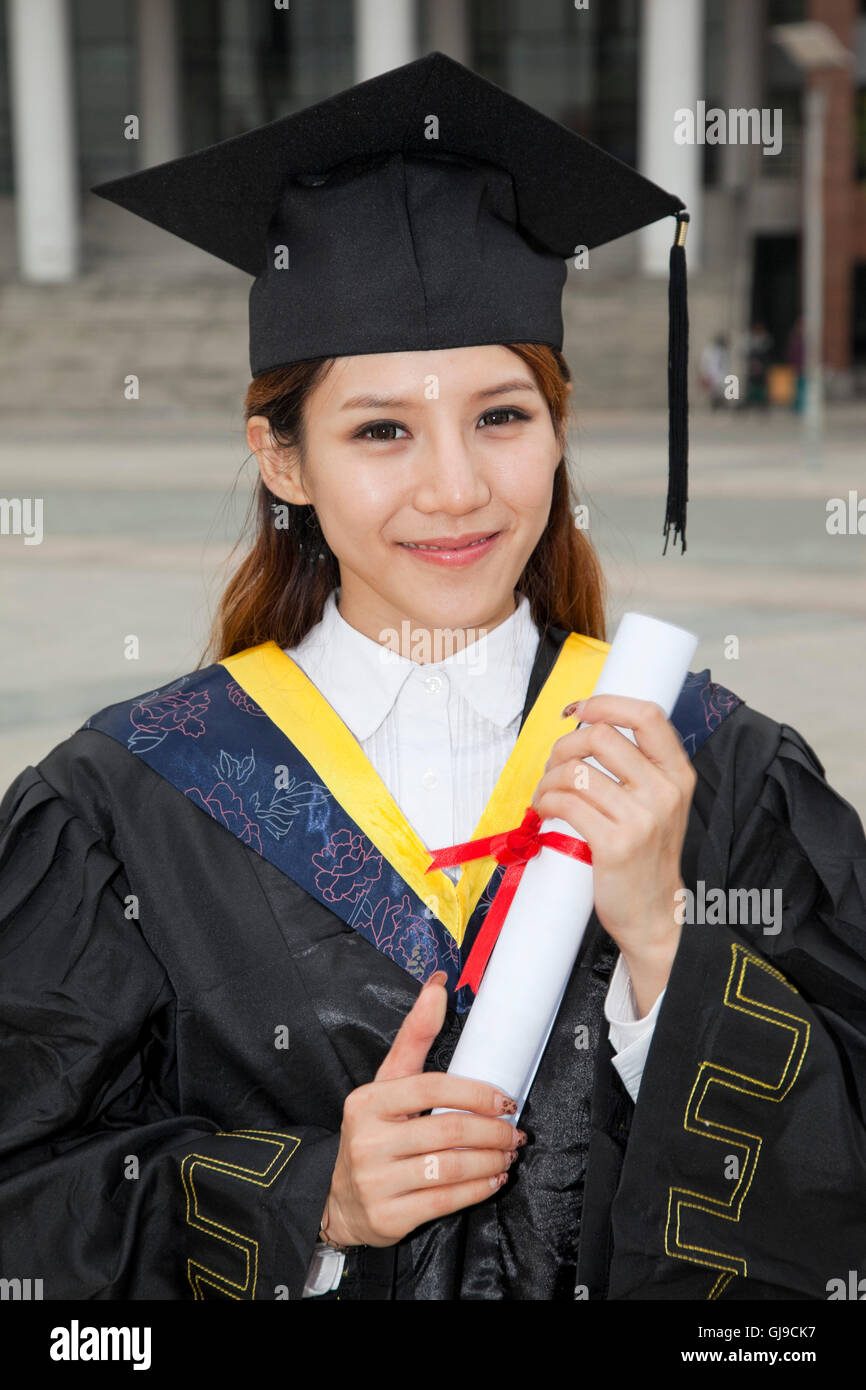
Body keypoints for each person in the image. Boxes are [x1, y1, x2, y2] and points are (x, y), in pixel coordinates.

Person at [1, 52, 864, 1304]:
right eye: (380, 429)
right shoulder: (124, 802)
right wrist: (305, 1201)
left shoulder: (718, 768)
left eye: (501, 416)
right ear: (282, 459)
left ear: (559, 431)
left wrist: (667, 949)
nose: (455, 487)